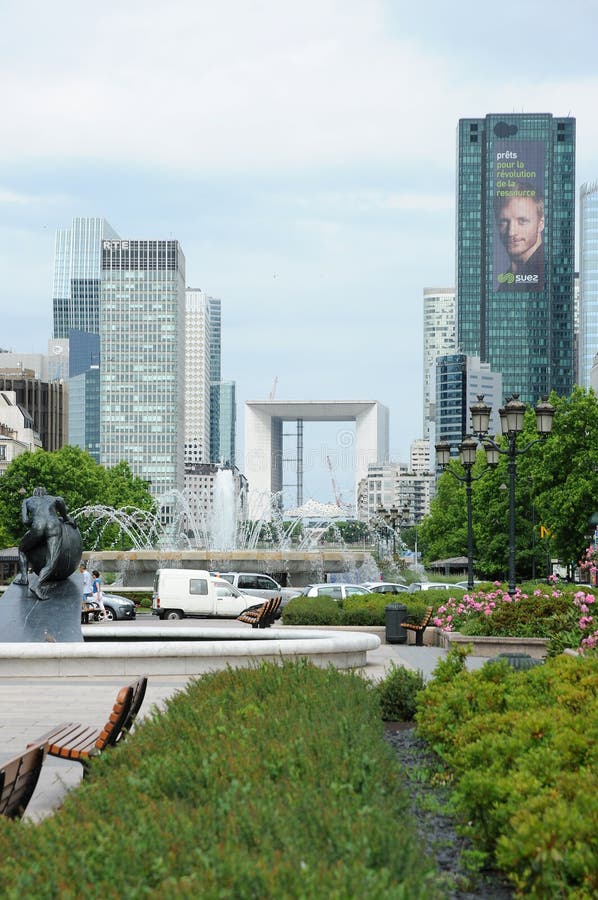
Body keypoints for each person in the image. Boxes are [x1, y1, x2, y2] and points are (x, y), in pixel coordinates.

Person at [14, 486, 82, 599]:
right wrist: (65, 518)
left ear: (33, 493)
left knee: (22, 549)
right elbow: (61, 502)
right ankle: (37, 585)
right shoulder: (54, 499)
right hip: (54, 526)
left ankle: (24, 578)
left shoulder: (27, 501)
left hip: (37, 526)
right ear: (45, 493)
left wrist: (37, 518)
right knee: (51, 561)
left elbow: (25, 521)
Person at [495, 191, 545, 287]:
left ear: (540, 223)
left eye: (522, 221)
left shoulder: (549, 272)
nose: (511, 232)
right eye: (503, 222)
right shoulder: (506, 281)